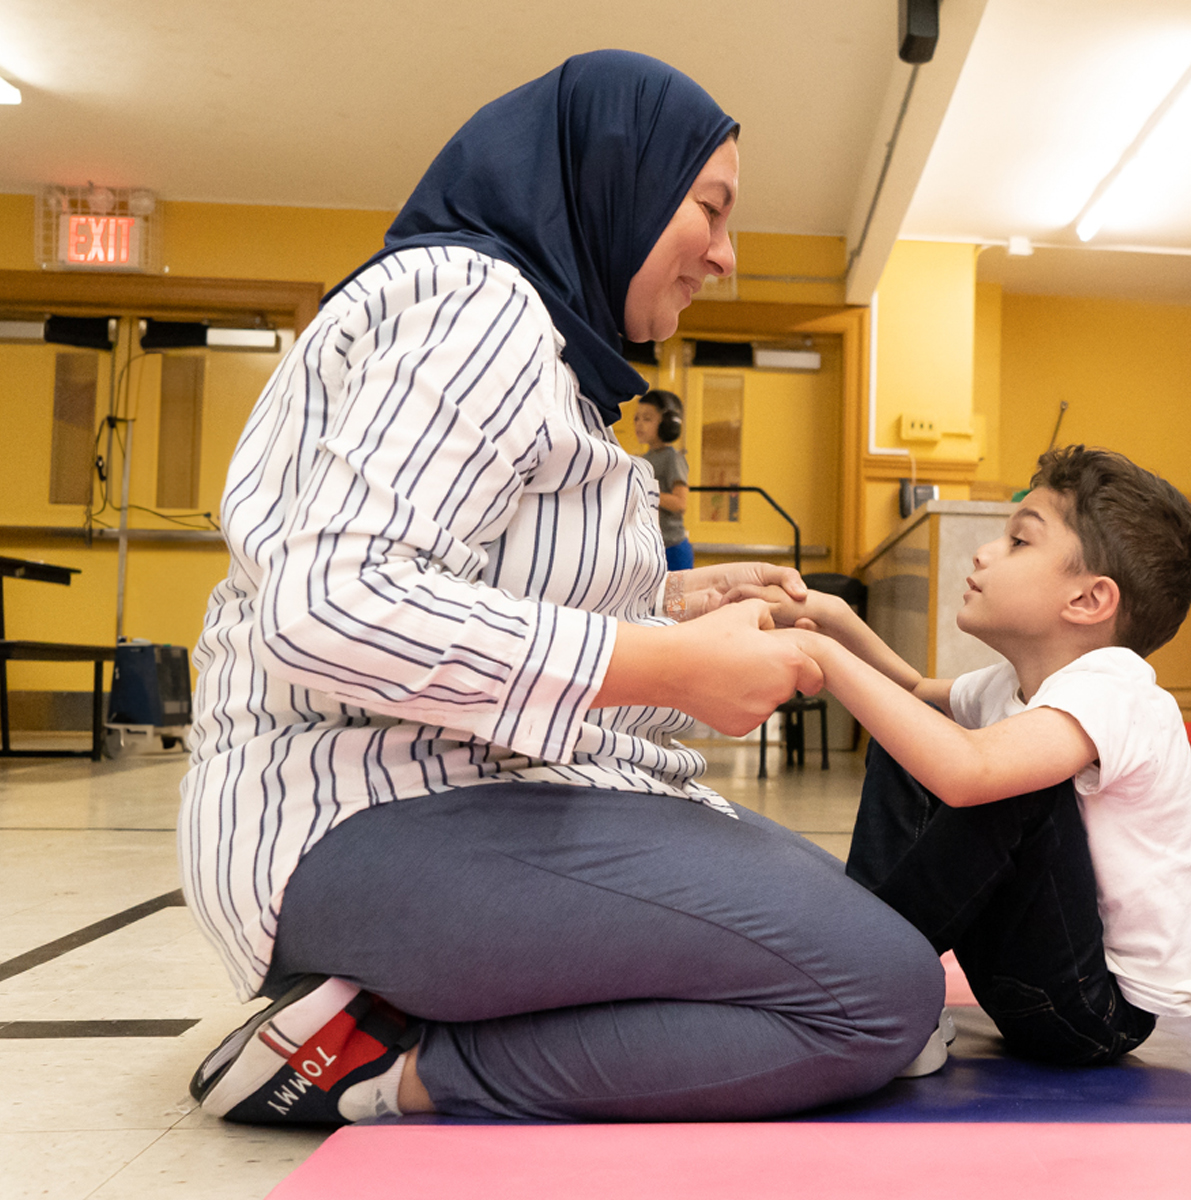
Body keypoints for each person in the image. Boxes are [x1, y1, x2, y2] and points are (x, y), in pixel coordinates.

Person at [178, 51, 943, 1127]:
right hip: (362, 815)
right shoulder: (479, 308)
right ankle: (378, 1065)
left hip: (461, 797)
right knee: (876, 999)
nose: (724, 256)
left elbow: (471, 577)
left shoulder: (540, 349)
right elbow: (333, 603)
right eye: (710, 208)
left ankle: (396, 1007)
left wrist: (673, 606)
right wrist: (670, 665)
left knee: (874, 971)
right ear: (617, 181)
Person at [753, 446, 1191, 1066]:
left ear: (1088, 601)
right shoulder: (1015, 685)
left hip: (1095, 1009)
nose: (984, 552)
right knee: (916, 732)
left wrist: (823, 658)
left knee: (1008, 782)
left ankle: (870, 980)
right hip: (1031, 970)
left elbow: (971, 773)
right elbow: (912, 692)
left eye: (1019, 542)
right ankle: (876, 964)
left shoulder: (1118, 690)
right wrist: (835, 619)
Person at [632, 389, 694, 570]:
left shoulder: (673, 458)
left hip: (672, 548)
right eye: (636, 418)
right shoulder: (643, 460)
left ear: (667, 423)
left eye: (647, 419)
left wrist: (647, 490)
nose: (639, 424)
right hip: (651, 545)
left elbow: (680, 503)